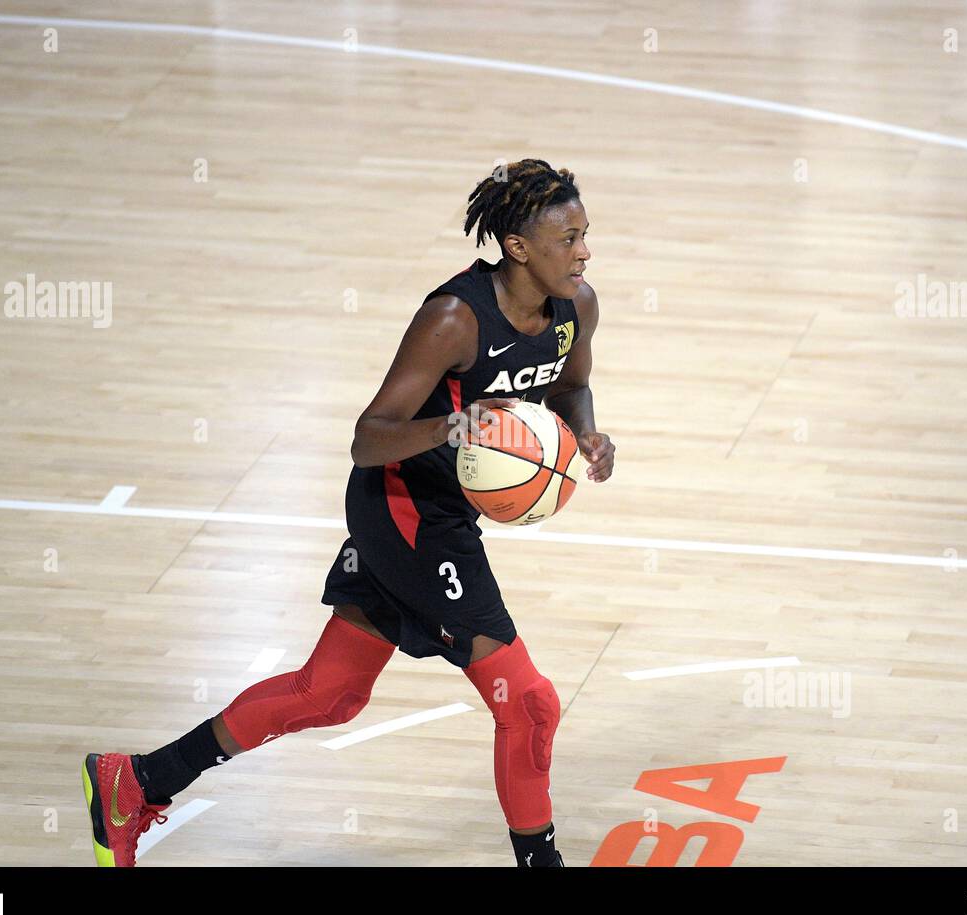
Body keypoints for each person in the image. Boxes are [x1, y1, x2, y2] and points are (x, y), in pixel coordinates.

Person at [82, 158, 615, 867]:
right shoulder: (454, 320)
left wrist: (586, 435)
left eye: (585, 235)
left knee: (329, 694)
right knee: (530, 704)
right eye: (569, 238)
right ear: (518, 247)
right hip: (402, 506)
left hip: (444, 514)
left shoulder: (577, 307)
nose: (584, 251)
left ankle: (136, 781)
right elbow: (368, 438)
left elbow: (571, 386)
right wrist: (454, 429)